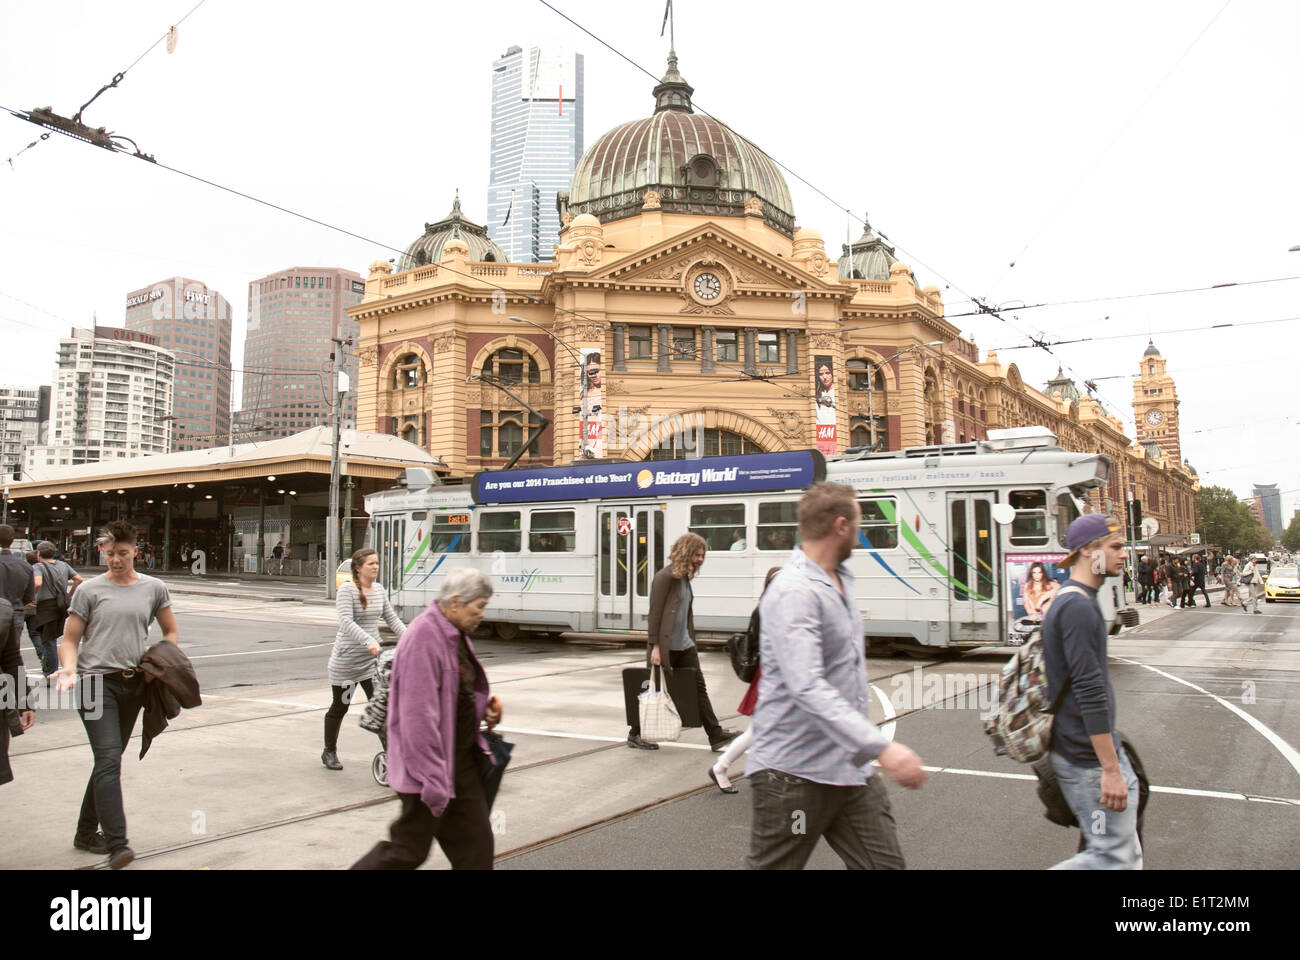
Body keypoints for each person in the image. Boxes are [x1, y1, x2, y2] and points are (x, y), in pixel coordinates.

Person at [746, 482, 927, 870]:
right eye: (860, 524)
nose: (863, 533)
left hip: (848, 770)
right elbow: (806, 686)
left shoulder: (837, 580)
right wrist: (883, 747)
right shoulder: (795, 591)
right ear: (841, 526)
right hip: (793, 776)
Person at [351, 568, 503, 870]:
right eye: (480, 607)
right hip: (429, 771)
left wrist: (483, 707)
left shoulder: (454, 633)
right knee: (407, 851)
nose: (482, 615)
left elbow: (454, 692)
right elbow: (417, 717)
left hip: (459, 766)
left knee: (476, 853)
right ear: (457, 601)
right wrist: (433, 780)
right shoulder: (425, 636)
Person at [55, 520, 179, 870]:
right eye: (109, 554)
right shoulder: (89, 590)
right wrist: (67, 667)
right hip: (95, 683)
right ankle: (118, 844)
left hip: (133, 685)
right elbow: (70, 639)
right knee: (109, 760)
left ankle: (84, 833)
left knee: (107, 761)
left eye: (122, 553)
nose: (115, 560)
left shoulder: (154, 588)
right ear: (102, 552)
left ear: (136, 552)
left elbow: (170, 631)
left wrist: (160, 658)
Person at [1041, 513, 1142, 869]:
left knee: (1122, 854)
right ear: (1088, 550)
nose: (1123, 554)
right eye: (1114, 546)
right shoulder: (1078, 606)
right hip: (1086, 758)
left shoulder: (1074, 598)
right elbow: (1090, 689)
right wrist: (1110, 769)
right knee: (1110, 858)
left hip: (1086, 752)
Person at [627, 532, 738, 752]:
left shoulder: (685, 578)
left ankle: (715, 735)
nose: (700, 559)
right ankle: (635, 733)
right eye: (697, 554)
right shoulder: (665, 577)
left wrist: (691, 639)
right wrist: (655, 647)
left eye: (702, 555)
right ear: (685, 552)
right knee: (655, 689)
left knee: (698, 688)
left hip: (685, 645)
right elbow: (655, 614)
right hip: (666, 647)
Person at [323, 548, 406, 770]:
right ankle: (329, 751)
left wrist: (411, 638)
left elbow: (391, 617)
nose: (376, 567)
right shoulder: (347, 591)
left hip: (371, 665)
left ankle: (392, 757)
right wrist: (369, 641)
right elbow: (347, 623)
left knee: (380, 707)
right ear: (358, 568)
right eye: (371, 564)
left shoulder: (379, 590)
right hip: (348, 663)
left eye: (377, 563)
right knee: (340, 707)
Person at [709, 566, 781, 793]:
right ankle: (721, 767)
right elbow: (764, 646)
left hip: (779, 675)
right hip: (771, 675)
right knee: (759, 729)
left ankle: (760, 769)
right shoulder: (765, 610)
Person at [0, 524, 35, 787]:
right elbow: (29, 598)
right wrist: (24, 701)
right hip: (14, 618)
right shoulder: (24, 567)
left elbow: (12, 660)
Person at [31, 541, 83, 678]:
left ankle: (50, 670)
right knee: (50, 636)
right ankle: (48, 663)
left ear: (38, 553)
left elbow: (37, 582)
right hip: (61, 605)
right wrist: (69, 594)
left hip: (46, 605)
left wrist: (31, 597)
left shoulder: (38, 566)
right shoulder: (63, 565)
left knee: (48, 639)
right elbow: (78, 579)